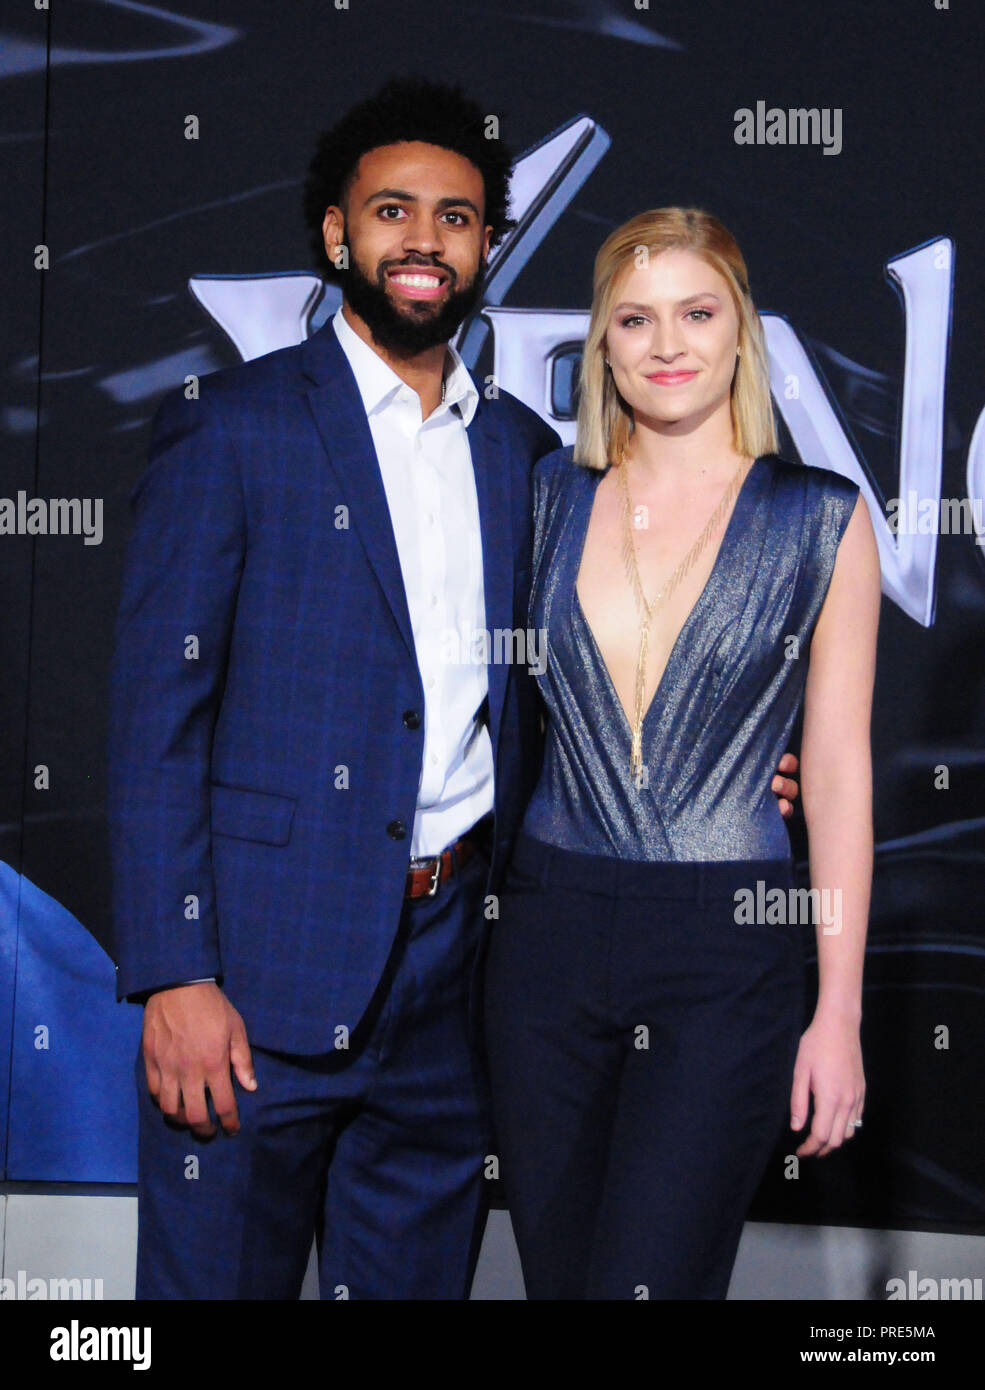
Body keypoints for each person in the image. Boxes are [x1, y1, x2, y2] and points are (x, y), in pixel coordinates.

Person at [106, 75, 801, 1300]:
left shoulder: (525, 455)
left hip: (457, 986)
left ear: (490, 245)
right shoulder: (233, 429)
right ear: (337, 234)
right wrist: (174, 972)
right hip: (255, 983)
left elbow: (592, 674)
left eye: (458, 218)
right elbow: (153, 721)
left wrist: (731, 766)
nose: (424, 240)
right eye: (392, 211)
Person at [482, 207, 880, 1300]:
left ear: (742, 332)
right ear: (599, 345)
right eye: (635, 318)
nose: (668, 344)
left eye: (697, 313)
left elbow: (838, 772)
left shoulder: (821, 518)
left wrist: (836, 1013)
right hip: (545, 940)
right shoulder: (539, 495)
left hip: (726, 948)